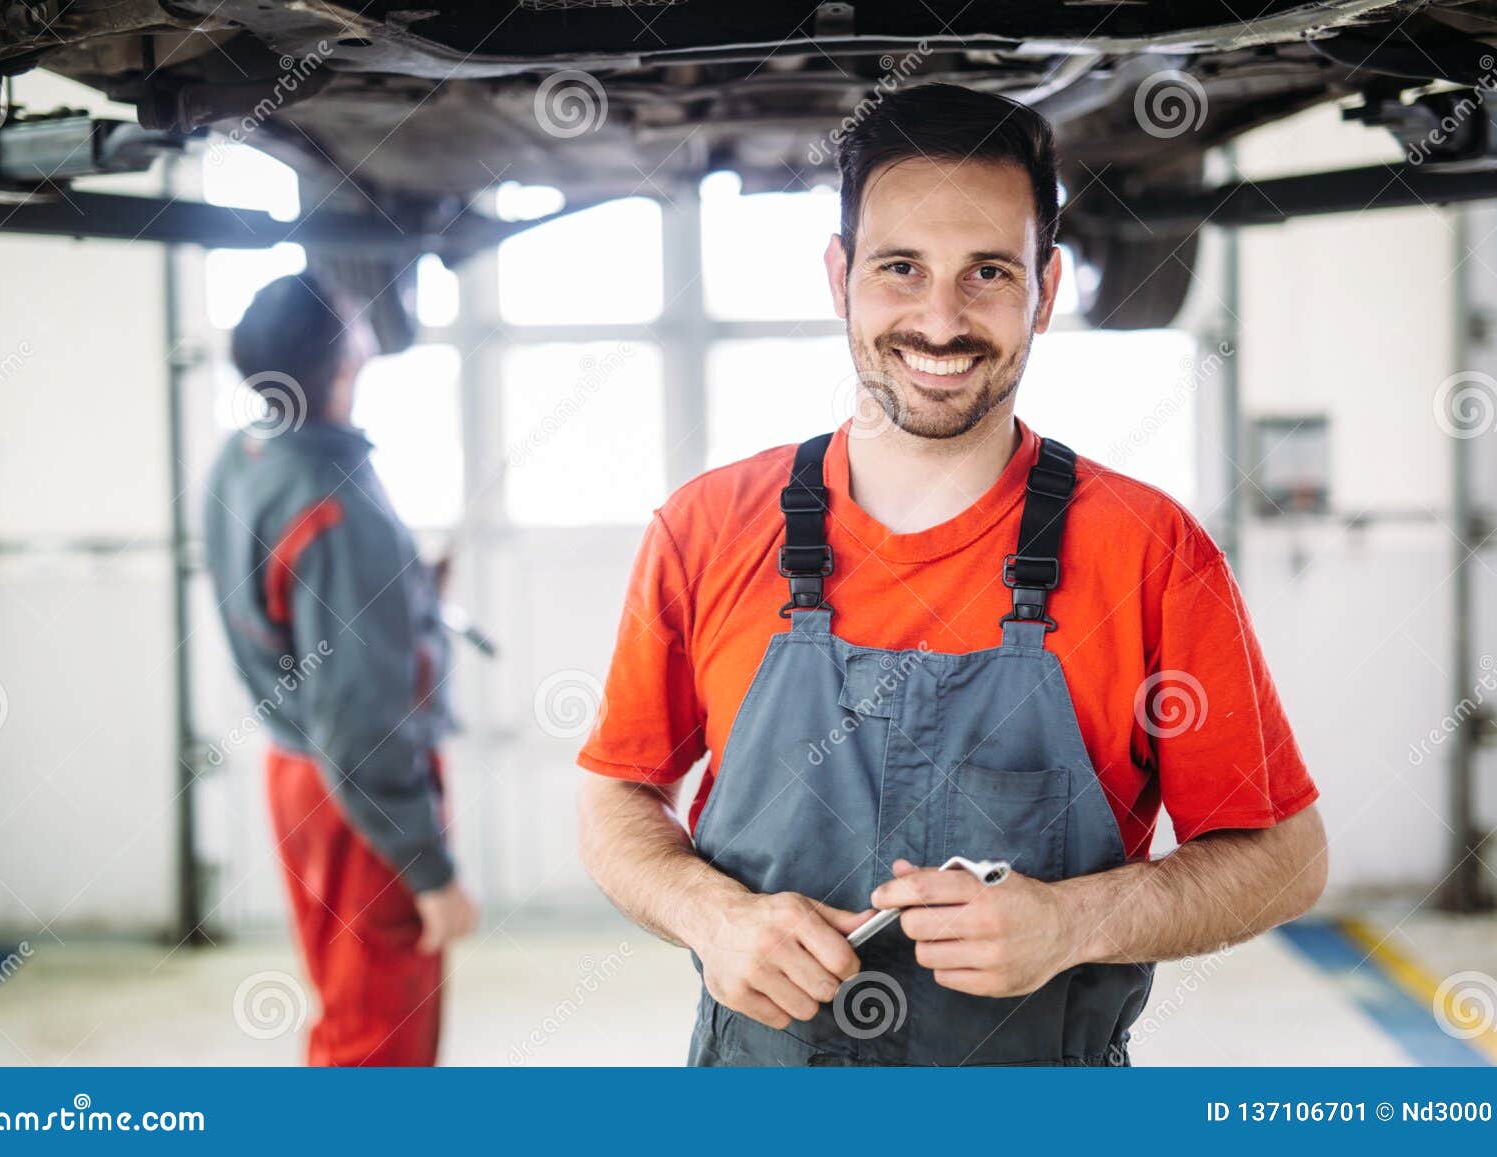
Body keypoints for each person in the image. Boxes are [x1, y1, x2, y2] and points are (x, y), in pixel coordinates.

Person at [576, 85, 1327, 1066]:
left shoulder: (1150, 550)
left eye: (987, 272)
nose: (940, 320)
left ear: (1044, 290)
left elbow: (1284, 857)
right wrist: (709, 913)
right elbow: (615, 793)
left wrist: (1071, 921)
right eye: (900, 267)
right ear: (839, 275)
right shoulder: (706, 527)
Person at [204, 272, 477, 1066]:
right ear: (345, 362)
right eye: (356, 320)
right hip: (362, 793)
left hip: (300, 771)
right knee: (378, 1035)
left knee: (348, 1005)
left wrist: (399, 589)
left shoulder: (245, 458)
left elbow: (280, 595)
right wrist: (430, 869)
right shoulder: (337, 501)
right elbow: (360, 723)